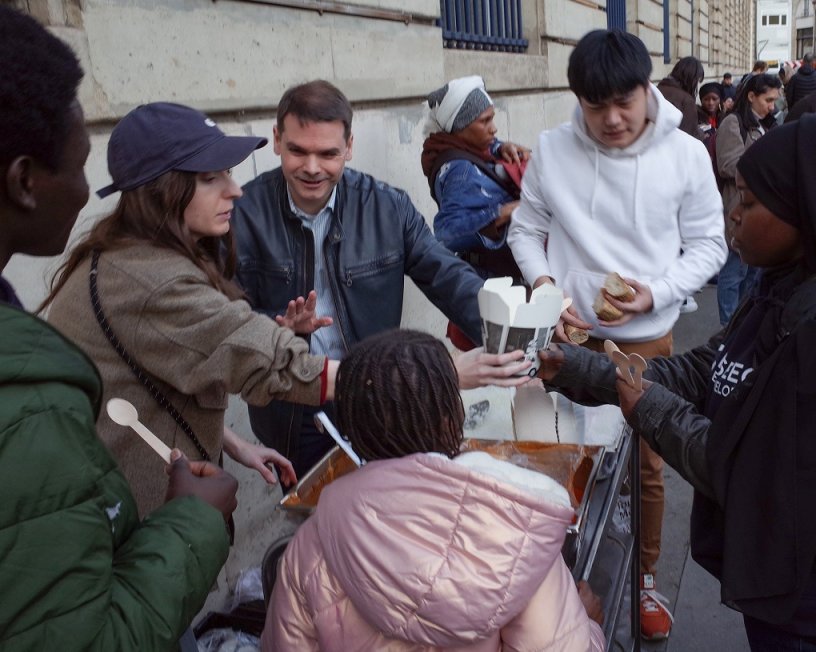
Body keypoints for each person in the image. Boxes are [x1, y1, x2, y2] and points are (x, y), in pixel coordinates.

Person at [539, 107, 816, 652]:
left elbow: (757, 475)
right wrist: (583, 369)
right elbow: (706, 371)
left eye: (750, 200)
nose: (732, 215)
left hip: (813, 594)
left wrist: (645, 406)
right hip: (770, 576)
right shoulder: (786, 288)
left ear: (807, 209)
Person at [0, 7, 238, 650]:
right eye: (79, 165)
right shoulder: (147, 277)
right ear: (24, 180)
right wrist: (191, 524)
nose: (85, 190)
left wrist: (233, 444)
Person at [507, 29, 727, 641]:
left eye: (623, 102)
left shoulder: (684, 153)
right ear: (577, 99)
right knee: (556, 451)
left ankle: (647, 577)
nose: (610, 119)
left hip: (646, 341)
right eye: (594, 105)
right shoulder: (554, 150)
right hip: (568, 336)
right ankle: (550, 576)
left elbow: (711, 243)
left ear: (646, 90)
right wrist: (549, 289)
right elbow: (525, 231)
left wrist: (655, 294)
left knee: (646, 466)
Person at [42, 102, 331, 517]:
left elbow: (159, 373)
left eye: (228, 173)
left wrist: (231, 443)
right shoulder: (152, 281)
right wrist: (417, 375)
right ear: (161, 189)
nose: (235, 190)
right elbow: (272, 363)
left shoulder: (132, 252)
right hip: (141, 525)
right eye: (210, 178)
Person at [263, 329, 606, 651]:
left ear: (353, 430)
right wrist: (588, 627)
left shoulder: (307, 548)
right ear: (452, 419)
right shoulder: (517, 528)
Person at [231, 80, 489, 479]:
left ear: (349, 146)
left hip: (378, 396)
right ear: (277, 140)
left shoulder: (387, 206)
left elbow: (448, 276)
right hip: (292, 412)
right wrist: (279, 329)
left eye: (328, 153)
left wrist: (515, 329)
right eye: (298, 150)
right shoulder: (240, 215)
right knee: (317, 523)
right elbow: (224, 322)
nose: (312, 168)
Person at [421, 75, 530, 283]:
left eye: (492, 118)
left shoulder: (471, 148)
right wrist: (506, 211)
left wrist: (502, 147)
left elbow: (490, 147)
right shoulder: (458, 170)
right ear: (460, 126)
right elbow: (446, 233)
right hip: (492, 282)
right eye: (485, 121)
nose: (494, 128)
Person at [716, 74, 783, 325]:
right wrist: (767, 170)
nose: (772, 106)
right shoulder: (733, 123)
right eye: (768, 100)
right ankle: (728, 327)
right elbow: (728, 164)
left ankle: (743, 324)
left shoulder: (766, 123)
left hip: (763, 210)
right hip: (739, 207)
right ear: (751, 96)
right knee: (734, 272)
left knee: (754, 273)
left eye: (774, 101)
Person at [657, 56, 705, 138]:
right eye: (697, 81)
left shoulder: (658, 90)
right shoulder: (686, 101)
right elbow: (689, 136)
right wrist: (701, 133)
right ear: (692, 79)